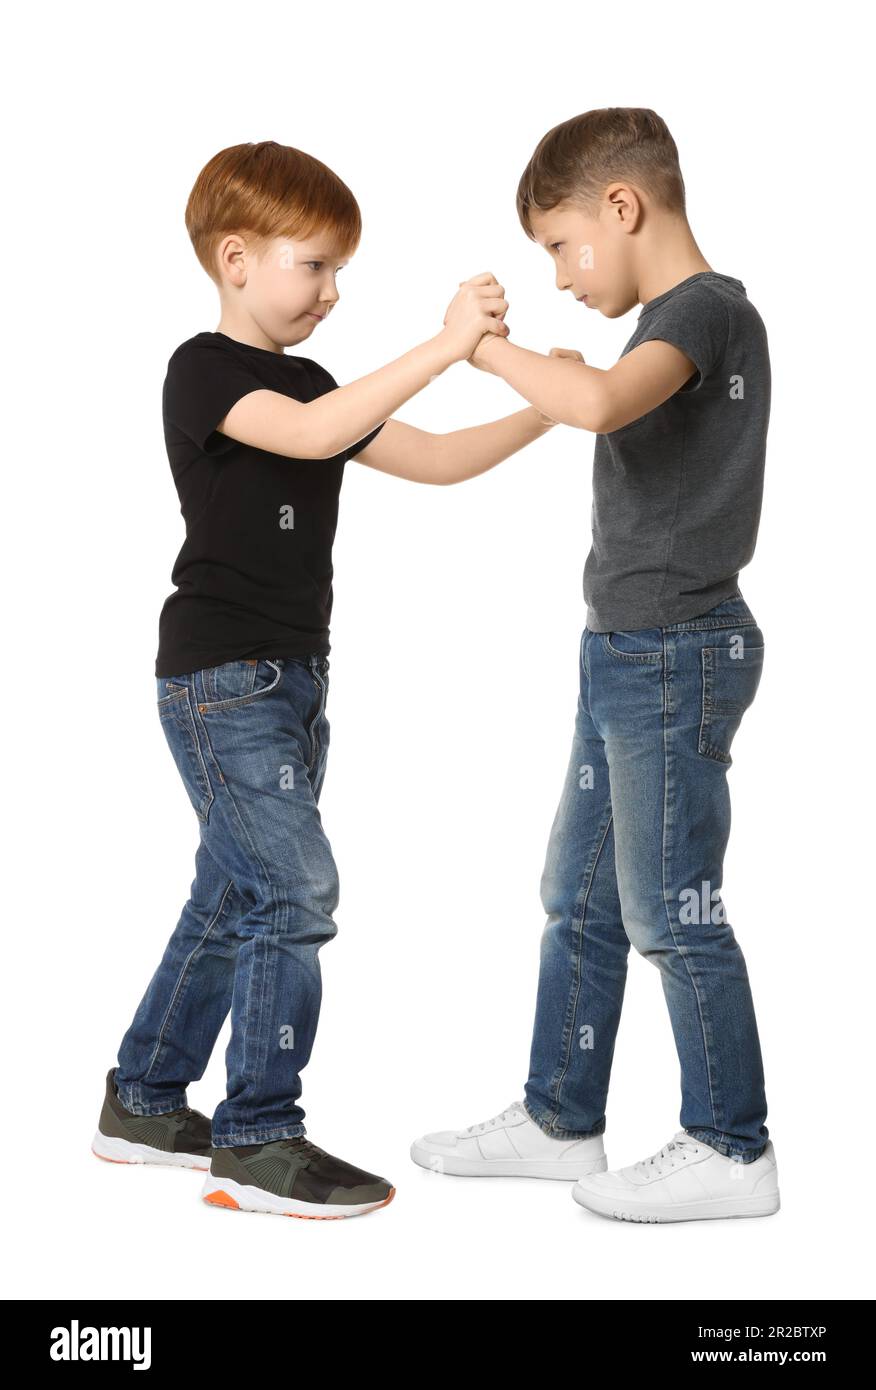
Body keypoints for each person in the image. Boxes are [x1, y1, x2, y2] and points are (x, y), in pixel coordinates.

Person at [92, 139, 554, 1221]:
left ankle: (145, 1099)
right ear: (236, 259)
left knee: (235, 892)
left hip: (295, 681)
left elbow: (434, 458)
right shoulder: (205, 372)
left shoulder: (315, 382)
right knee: (293, 891)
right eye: (315, 266)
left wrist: (548, 408)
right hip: (221, 679)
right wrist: (444, 344)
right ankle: (258, 1135)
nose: (333, 292)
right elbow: (307, 435)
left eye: (342, 270)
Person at [411, 107, 780, 1223]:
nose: (563, 276)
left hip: (676, 652)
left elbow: (599, 403)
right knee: (578, 899)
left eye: (562, 247)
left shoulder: (706, 311)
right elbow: (598, 397)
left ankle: (731, 1145)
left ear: (623, 207)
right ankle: (561, 1118)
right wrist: (544, 371)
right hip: (622, 651)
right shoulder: (666, 324)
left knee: (673, 912)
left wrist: (480, 346)